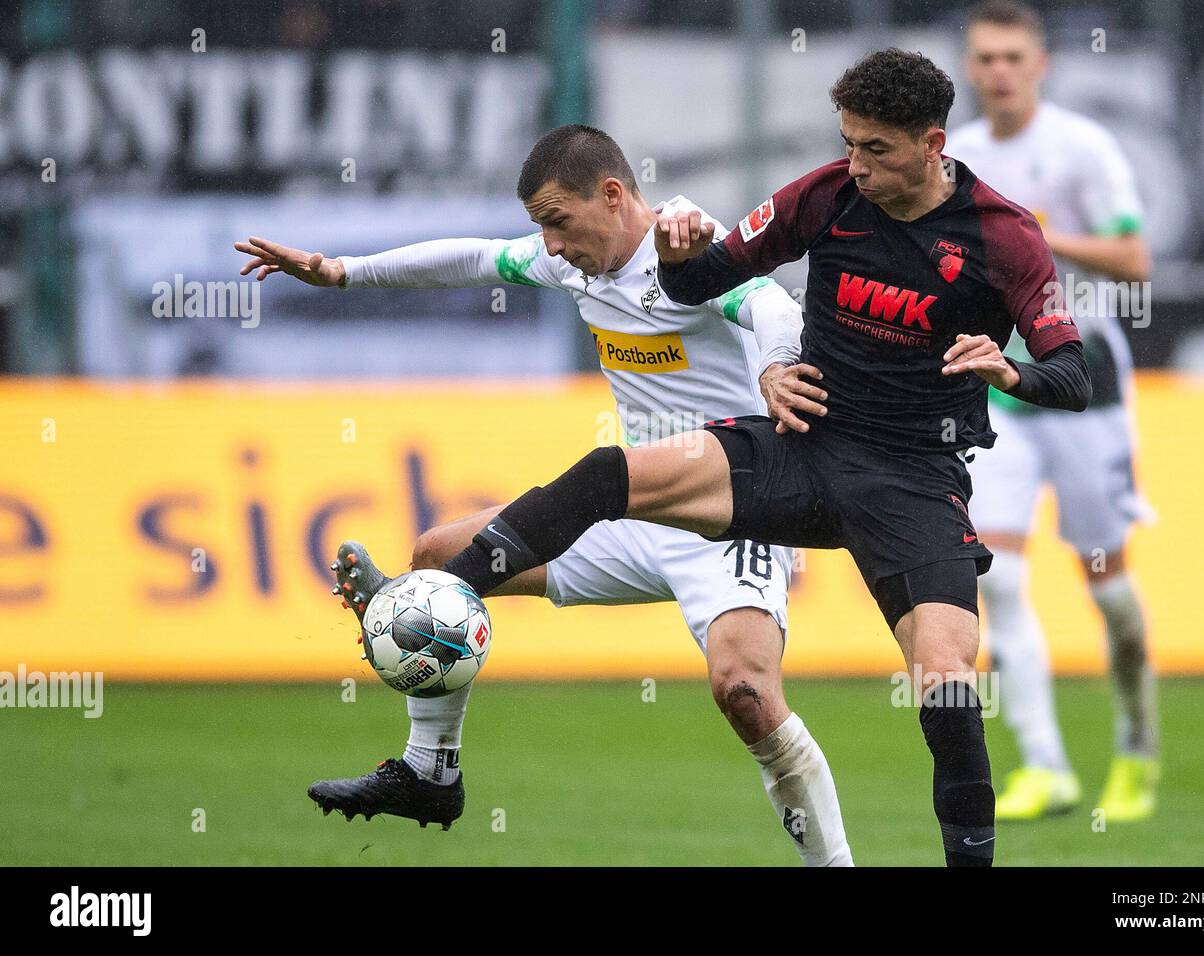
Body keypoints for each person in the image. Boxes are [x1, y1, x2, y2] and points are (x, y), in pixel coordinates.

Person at [403, 49, 1092, 866]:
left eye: (875, 150)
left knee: (946, 682)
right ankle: (439, 602)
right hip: (803, 445)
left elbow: (1076, 374)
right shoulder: (824, 195)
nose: (857, 166)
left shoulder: (1002, 236)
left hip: (913, 480)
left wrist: (1009, 367)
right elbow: (704, 284)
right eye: (848, 144)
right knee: (613, 473)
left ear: (932, 142)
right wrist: (684, 250)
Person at [235, 124, 854, 866]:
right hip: (630, 509)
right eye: (541, 228)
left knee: (744, 690)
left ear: (614, 195)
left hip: (731, 507)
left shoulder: (688, 251)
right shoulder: (574, 267)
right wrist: (340, 272)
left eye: (558, 222)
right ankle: (431, 771)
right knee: (438, 560)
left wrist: (774, 369)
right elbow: (470, 257)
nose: (551, 245)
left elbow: (773, 309)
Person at [947, 0, 1158, 822]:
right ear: (970, 67)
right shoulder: (957, 157)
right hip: (1002, 385)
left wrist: (1039, 235)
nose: (998, 70)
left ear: (1040, 64)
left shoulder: (1082, 147)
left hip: (1084, 383)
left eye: (1012, 56)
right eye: (985, 57)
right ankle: (1047, 766)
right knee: (996, 574)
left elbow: (1136, 261)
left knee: (1106, 586)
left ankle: (1136, 743)